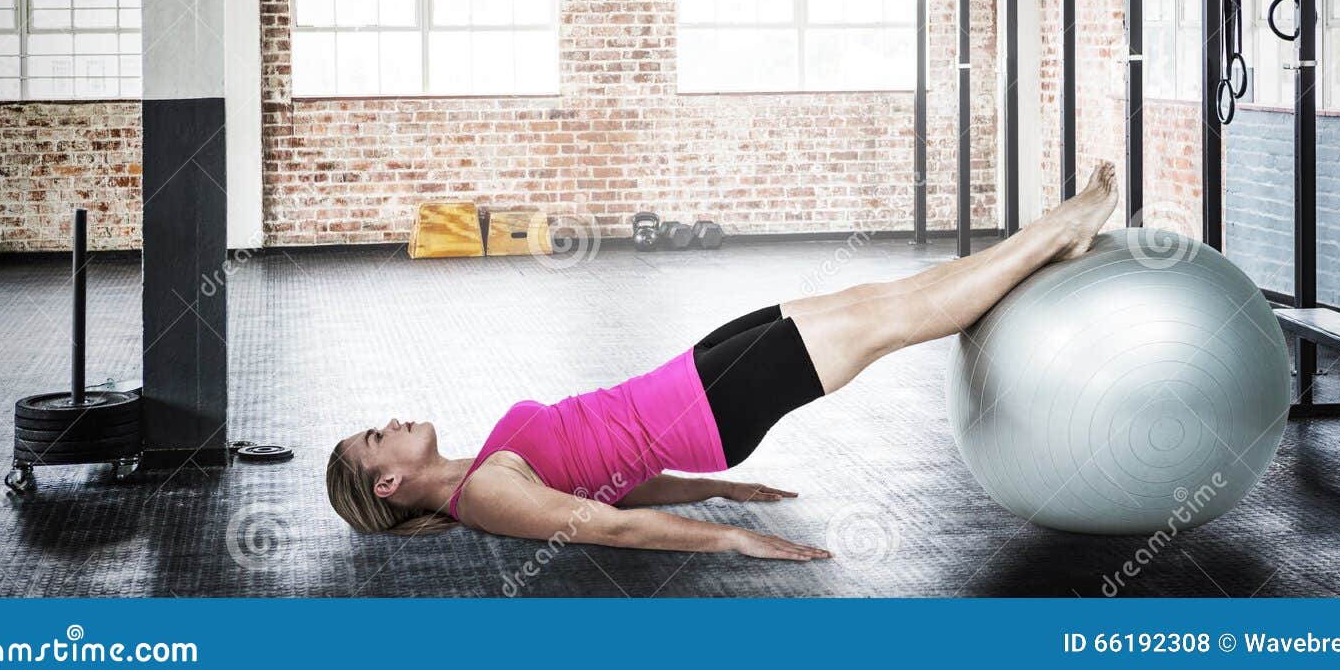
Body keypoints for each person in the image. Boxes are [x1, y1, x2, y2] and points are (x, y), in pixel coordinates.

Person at [327, 161, 1119, 560]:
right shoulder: (484, 495)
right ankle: (1060, 230)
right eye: (377, 436)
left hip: (692, 377)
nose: (391, 422)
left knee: (877, 293)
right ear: (389, 482)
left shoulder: (483, 462)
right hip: (710, 408)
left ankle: (1049, 234)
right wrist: (734, 539)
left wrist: (723, 490)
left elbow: (615, 477)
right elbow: (612, 524)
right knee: (898, 321)